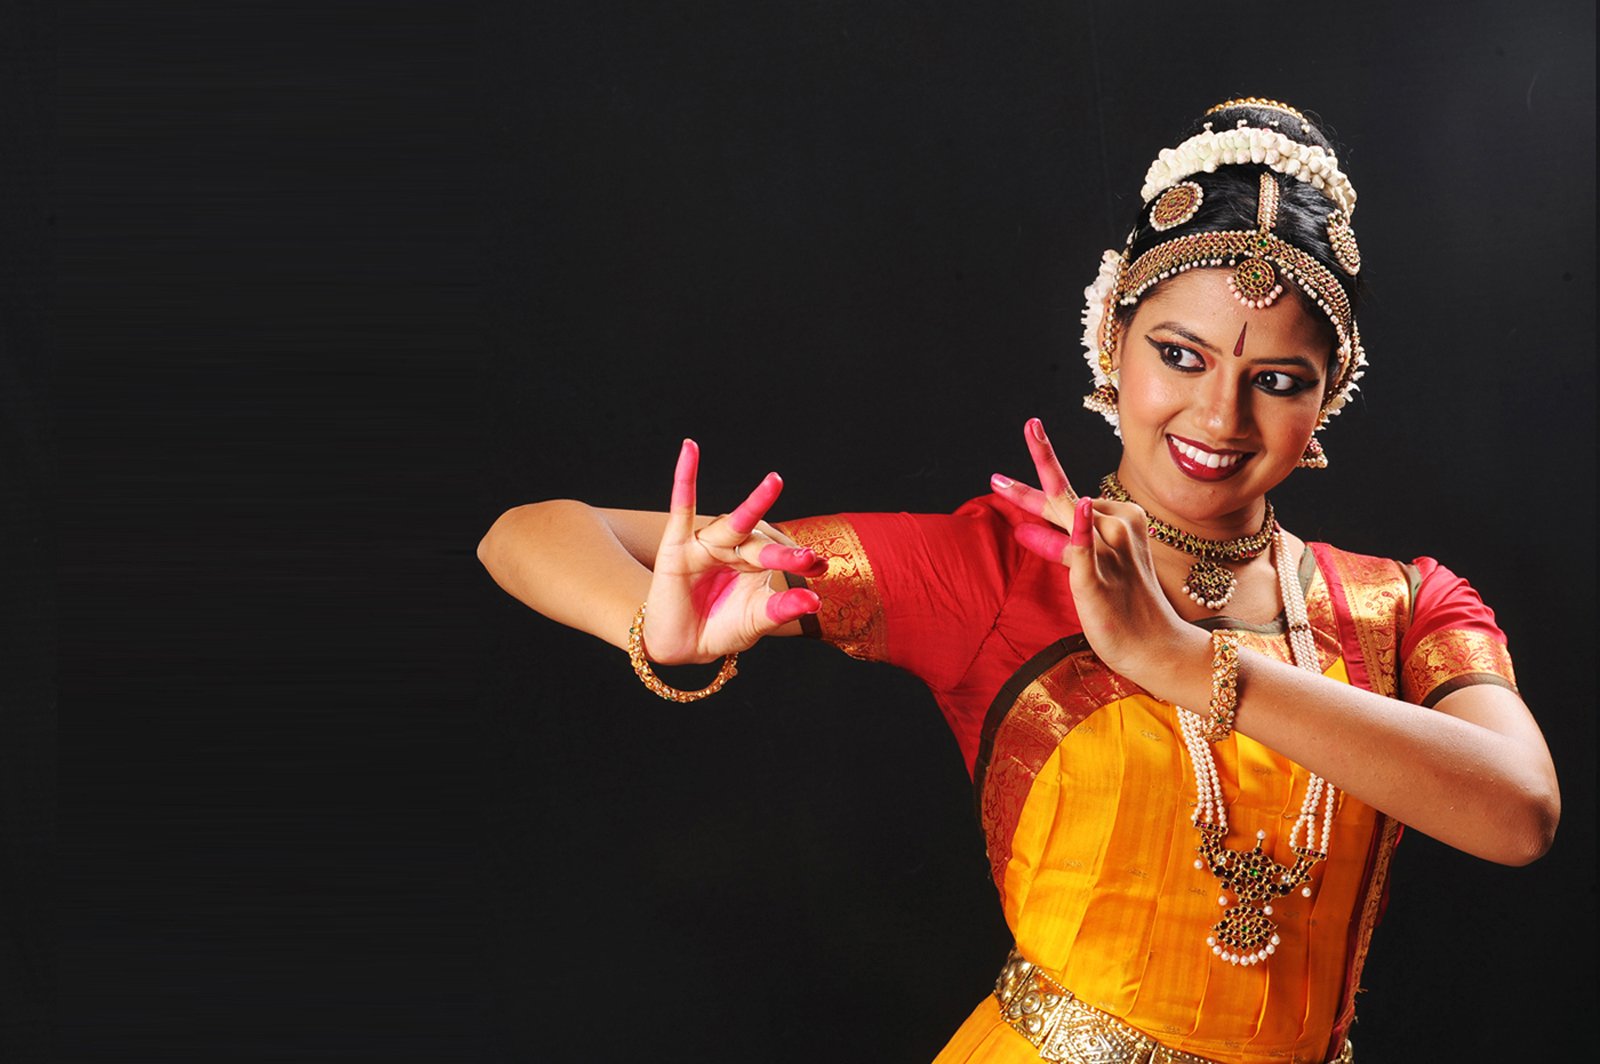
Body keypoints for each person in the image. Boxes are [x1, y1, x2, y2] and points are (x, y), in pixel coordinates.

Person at [477, 99, 1559, 1063]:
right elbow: (525, 532)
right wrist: (650, 623)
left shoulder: (1399, 605)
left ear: (1329, 394)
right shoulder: (997, 569)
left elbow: (1517, 813)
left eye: (1276, 379)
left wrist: (1179, 660)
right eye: (1179, 355)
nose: (1219, 416)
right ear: (1112, 340)